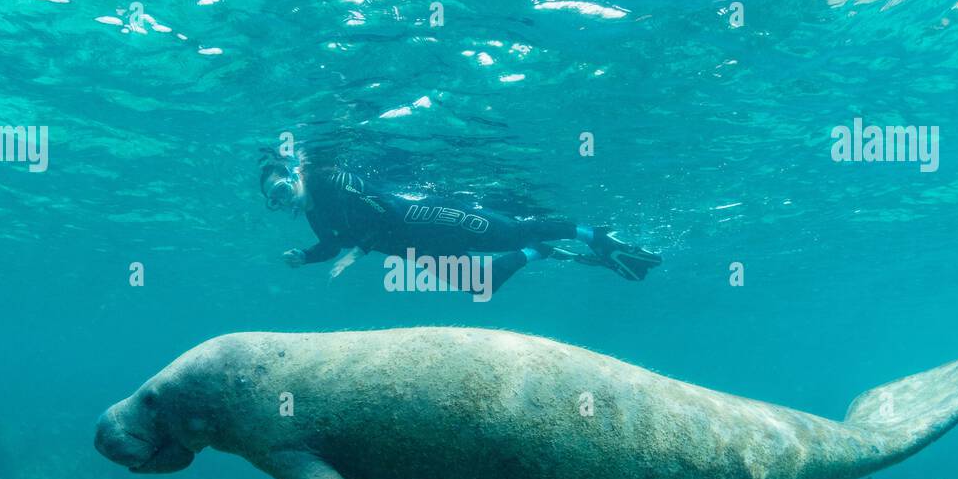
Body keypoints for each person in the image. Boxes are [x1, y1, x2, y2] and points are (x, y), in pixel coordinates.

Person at [260, 152, 661, 293]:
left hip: (430, 218)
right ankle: (537, 253)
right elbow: (330, 244)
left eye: (280, 189)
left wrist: (356, 255)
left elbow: (385, 212)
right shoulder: (314, 212)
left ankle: (596, 237)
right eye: (273, 201)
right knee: (478, 283)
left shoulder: (332, 179)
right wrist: (307, 256)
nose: (281, 201)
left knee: (512, 230)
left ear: (294, 175)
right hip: (413, 247)